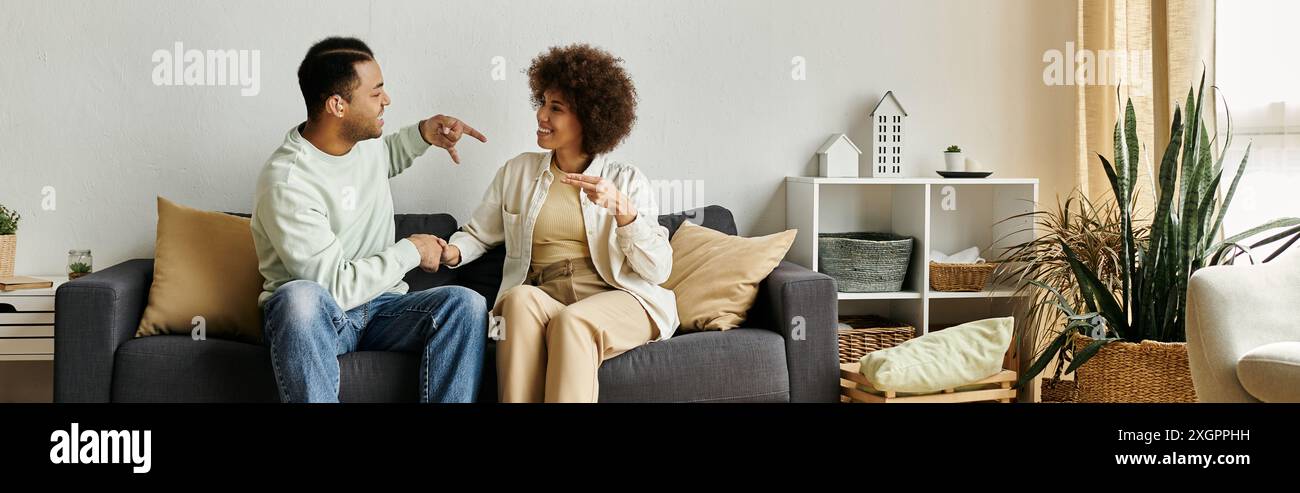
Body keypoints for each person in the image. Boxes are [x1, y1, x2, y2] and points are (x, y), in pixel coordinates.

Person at [251, 37, 489, 403]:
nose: (387, 100)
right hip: (322, 319)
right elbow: (335, 288)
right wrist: (409, 251)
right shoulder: (288, 181)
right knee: (299, 298)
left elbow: (385, 155)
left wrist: (425, 133)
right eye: (376, 92)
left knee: (465, 305)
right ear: (338, 105)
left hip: (383, 309)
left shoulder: (359, 141)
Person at [442, 44, 678, 403]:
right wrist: (451, 251)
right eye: (542, 103)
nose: (541, 116)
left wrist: (623, 213)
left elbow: (658, 268)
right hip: (548, 296)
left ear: (588, 118)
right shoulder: (517, 172)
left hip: (620, 298)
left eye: (556, 108)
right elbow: (479, 234)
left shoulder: (625, 180)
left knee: (572, 324)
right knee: (516, 301)